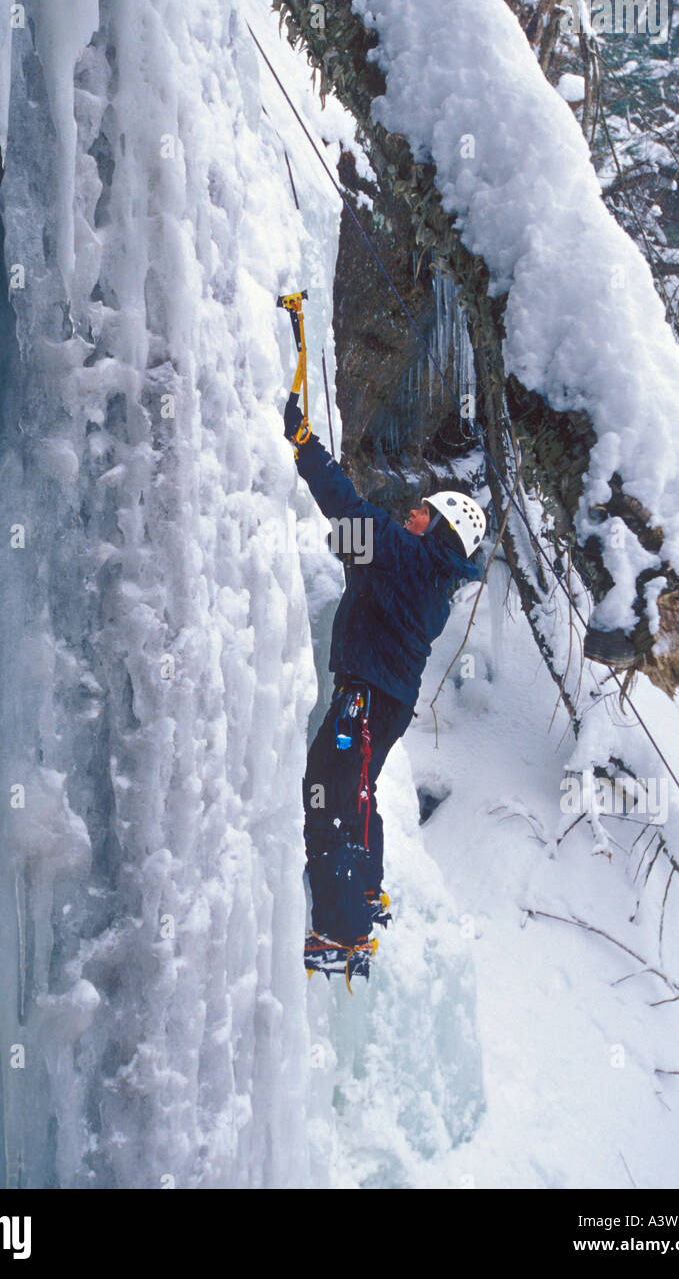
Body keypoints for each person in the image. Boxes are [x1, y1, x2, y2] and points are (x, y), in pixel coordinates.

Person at [282, 392, 487, 982]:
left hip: (365, 701)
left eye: (422, 513)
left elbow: (348, 513)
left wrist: (305, 447)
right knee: (358, 792)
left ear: (440, 528)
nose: (410, 515)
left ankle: (343, 936)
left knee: (328, 795)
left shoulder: (406, 557)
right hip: (383, 704)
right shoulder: (430, 581)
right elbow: (361, 554)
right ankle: (366, 896)